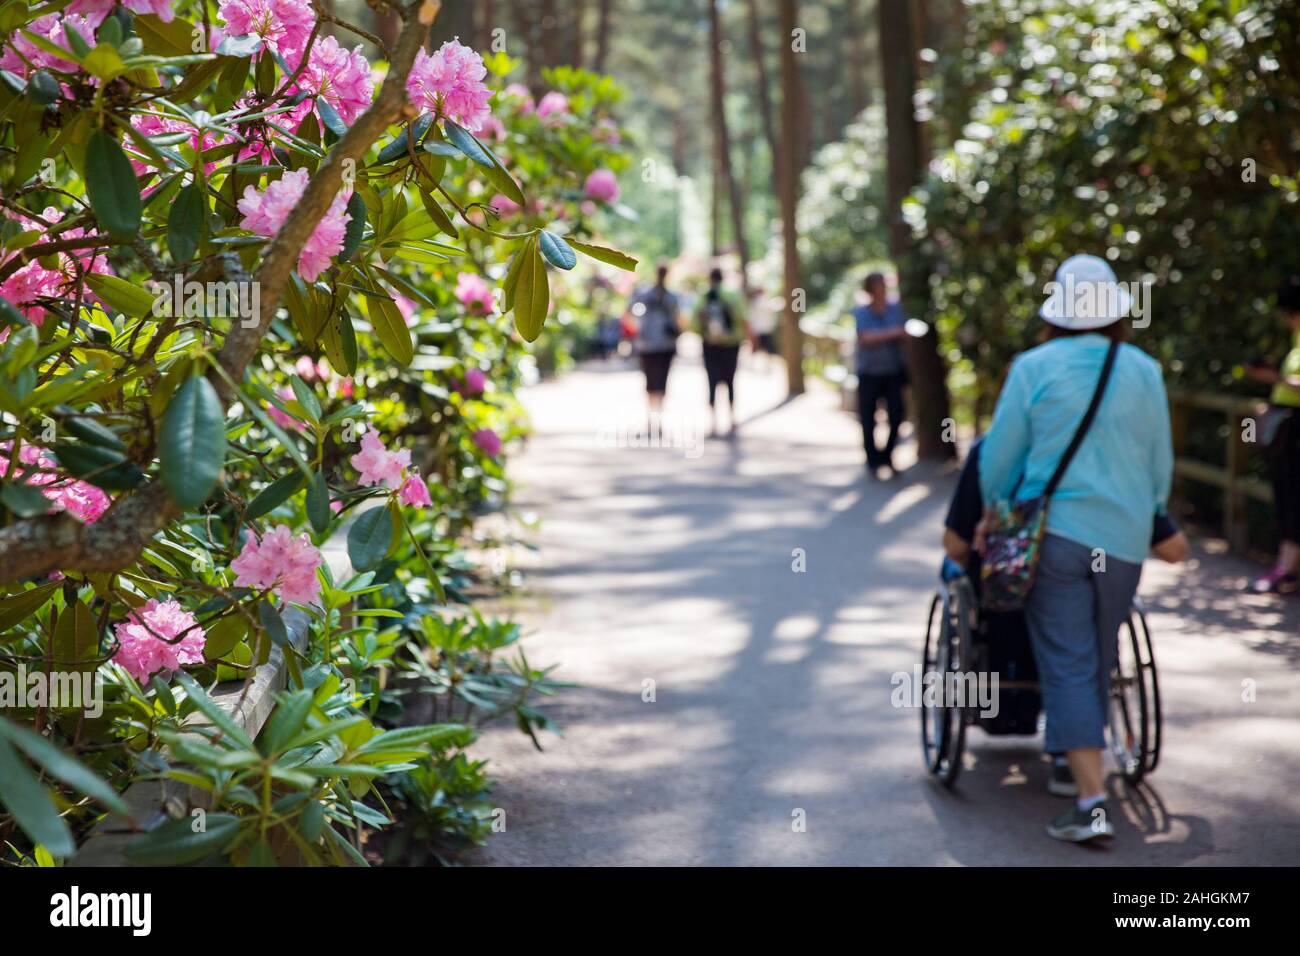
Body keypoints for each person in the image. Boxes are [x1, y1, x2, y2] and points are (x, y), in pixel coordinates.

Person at [973, 254, 1174, 844]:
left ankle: (1089, 802)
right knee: (1098, 653)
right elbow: (1159, 465)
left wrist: (995, 507)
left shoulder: (1033, 367)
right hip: (1125, 538)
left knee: (1065, 660)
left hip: (1057, 536)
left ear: (1058, 312)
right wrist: (1145, 510)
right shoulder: (1144, 370)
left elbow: (1000, 457)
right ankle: (1075, 765)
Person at [942, 437, 1188, 797]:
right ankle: (1071, 760)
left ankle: (1078, 774)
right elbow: (1174, 550)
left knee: (962, 573)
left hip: (1007, 604)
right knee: (1084, 633)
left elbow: (956, 545)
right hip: (1095, 588)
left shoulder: (994, 451)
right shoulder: (1110, 455)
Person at [1243, 275, 1300, 595]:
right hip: (1288, 430)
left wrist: (1274, 377)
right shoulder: (1295, 340)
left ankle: (1287, 571)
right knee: (1287, 495)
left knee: (1292, 498)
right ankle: (1287, 568)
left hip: (1296, 431)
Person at [852, 272, 909, 478]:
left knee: (897, 414)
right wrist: (894, 333)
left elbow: (905, 331)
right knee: (868, 418)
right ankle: (873, 462)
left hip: (893, 371)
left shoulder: (896, 309)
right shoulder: (861, 312)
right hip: (869, 372)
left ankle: (887, 456)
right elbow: (865, 337)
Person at [695, 267, 748, 435]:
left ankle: (713, 423)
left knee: (711, 382)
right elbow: (742, 317)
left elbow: (694, 322)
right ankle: (732, 420)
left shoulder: (704, 296)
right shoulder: (733, 294)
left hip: (710, 345)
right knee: (730, 381)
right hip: (730, 345)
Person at [628, 264, 681, 419]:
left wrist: (640, 330)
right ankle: (656, 414)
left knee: (652, 380)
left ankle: (653, 414)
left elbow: (629, 314)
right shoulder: (667, 296)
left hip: (652, 344)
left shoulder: (647, 294)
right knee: (660, 379)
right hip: (658, 344)